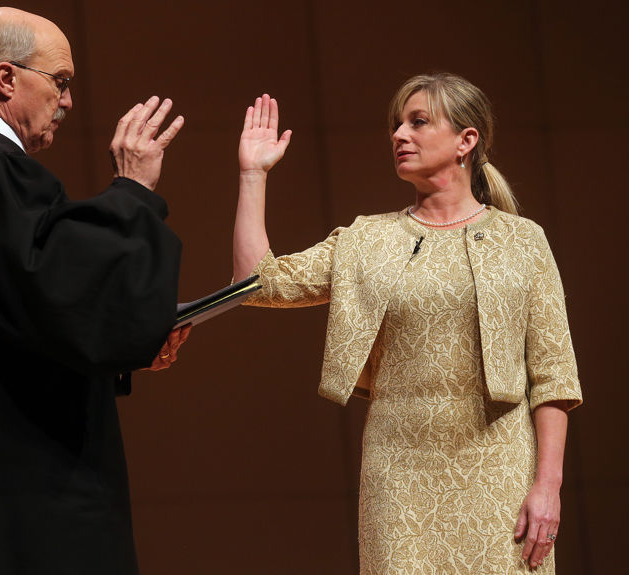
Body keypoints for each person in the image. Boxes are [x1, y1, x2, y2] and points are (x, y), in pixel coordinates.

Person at [232, 74, 582, 574]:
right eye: (397, 125)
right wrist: (253, 176)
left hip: (502, 469)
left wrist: (548, 486)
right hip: (398, 474)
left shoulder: (522, 240)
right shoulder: (368, 241)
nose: (399, 135)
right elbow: (255, 283)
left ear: (467, 140)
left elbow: (553, 375)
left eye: (418, 122)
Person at [0, 7, 190, 575]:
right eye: (61, 82)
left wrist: (134, 334)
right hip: (21, 499)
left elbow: (23, 317)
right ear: (7, 79)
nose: (69, 101)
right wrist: (133, 192)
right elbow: (52, 283)